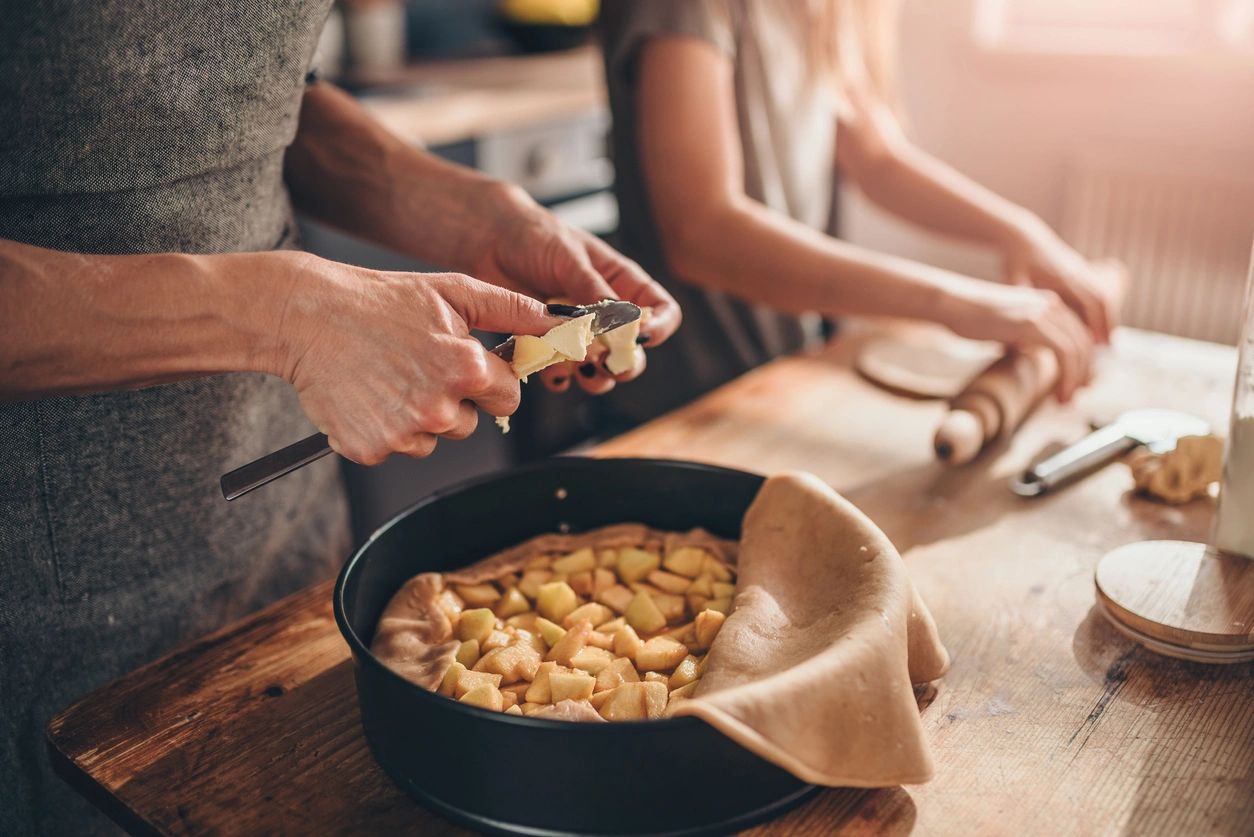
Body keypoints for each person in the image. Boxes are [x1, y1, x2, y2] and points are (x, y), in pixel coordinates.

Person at [0, 3, 678, 834]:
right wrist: (283, 314)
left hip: (281, 524)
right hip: (42, 599)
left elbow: (244, 96)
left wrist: (480, 217)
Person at [597, 0, 1122, 423]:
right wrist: (958, 301)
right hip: (681, 398)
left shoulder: (827, 9)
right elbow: (702, 233)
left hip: (777, 380)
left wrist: (1021, 234)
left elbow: (877, 160)